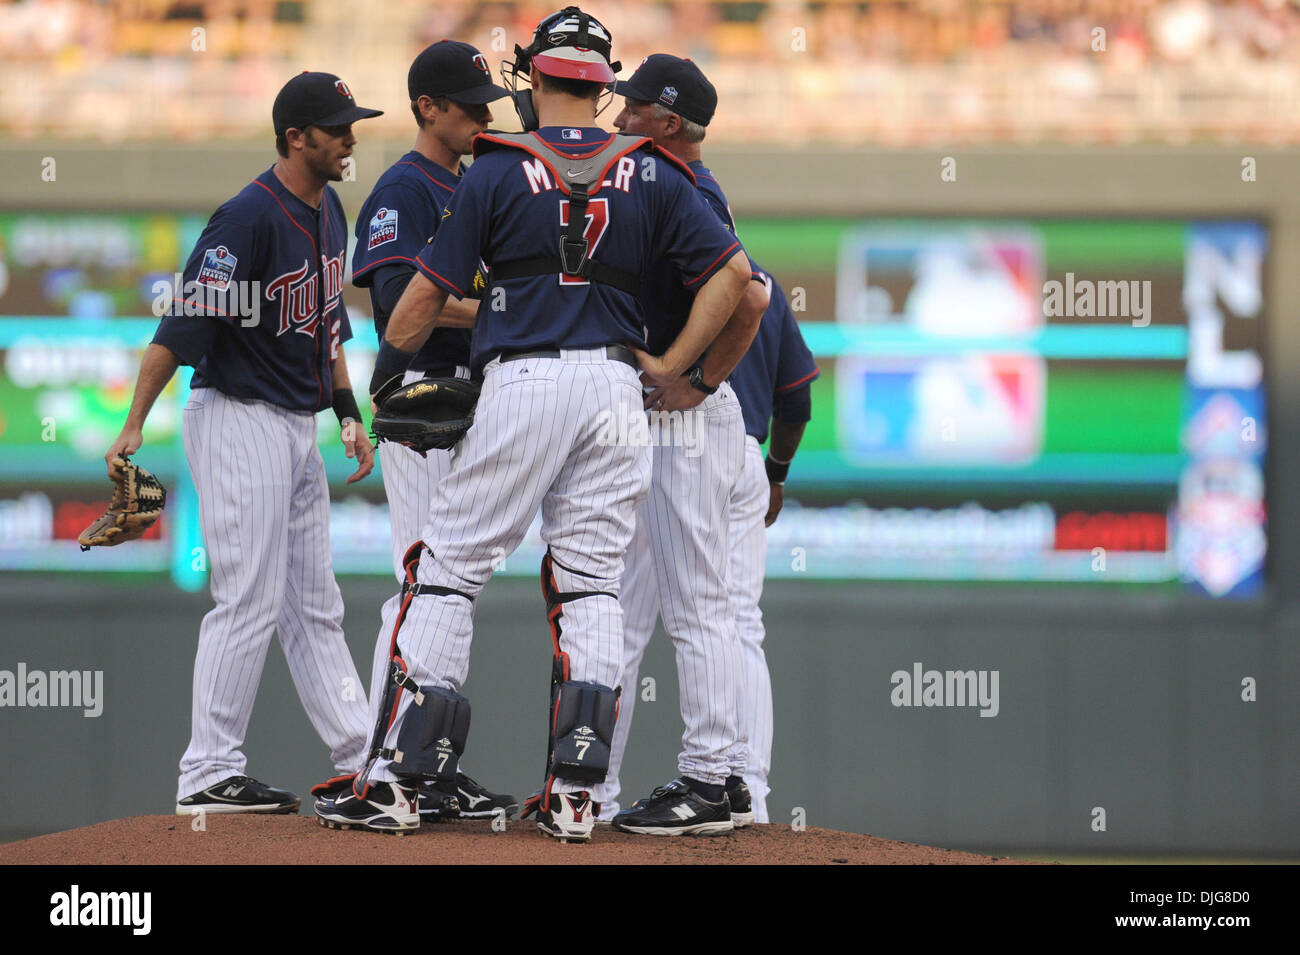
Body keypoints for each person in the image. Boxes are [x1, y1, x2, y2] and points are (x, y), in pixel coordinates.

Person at [313, 7, 751, 841]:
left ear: (538, 76)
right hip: (618, 390)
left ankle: (404, 780)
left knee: (447, 569)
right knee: (590, 582)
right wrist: (674, 367)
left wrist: (384, 375)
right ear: (603, 81)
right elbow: (733, 274)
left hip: (523, 378)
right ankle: (578, 796)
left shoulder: (496, 166)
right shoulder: (653, 169)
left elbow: (419, 303)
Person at [105, 71, 382, 815]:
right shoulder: (247, 218)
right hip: (236, 416)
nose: (350, 136)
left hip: (294, 424)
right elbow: (180, 329)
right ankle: (209, 768)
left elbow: (327, 330)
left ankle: (360, 755)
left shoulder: (330, 212)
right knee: (249, 596)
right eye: (337, 126)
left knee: (314, 603)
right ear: (296, 136)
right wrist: (134, 422)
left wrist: (348, 412)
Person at [587, 54, 771, 836]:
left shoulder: (685, 185)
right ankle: (620, 784)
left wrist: (687, 375)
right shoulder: (673, 181)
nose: (619, 115)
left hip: (685, 422)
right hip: (678, 422)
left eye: (632, 107)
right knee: (642, 610)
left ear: (665, 123)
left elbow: (751, 294)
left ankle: (707, 779)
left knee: (699, 608)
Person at [334, 39, 518, 823]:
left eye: (487, 104)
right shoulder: (403, 188)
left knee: (453, 588)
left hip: (470, 398)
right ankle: (383, 770)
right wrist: (508, 310)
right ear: (427, 108)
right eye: (469, 105)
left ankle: (427, 764)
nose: (483, 117)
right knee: (422, 582)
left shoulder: (473, 182)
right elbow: (398, 299)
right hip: (421, 400)